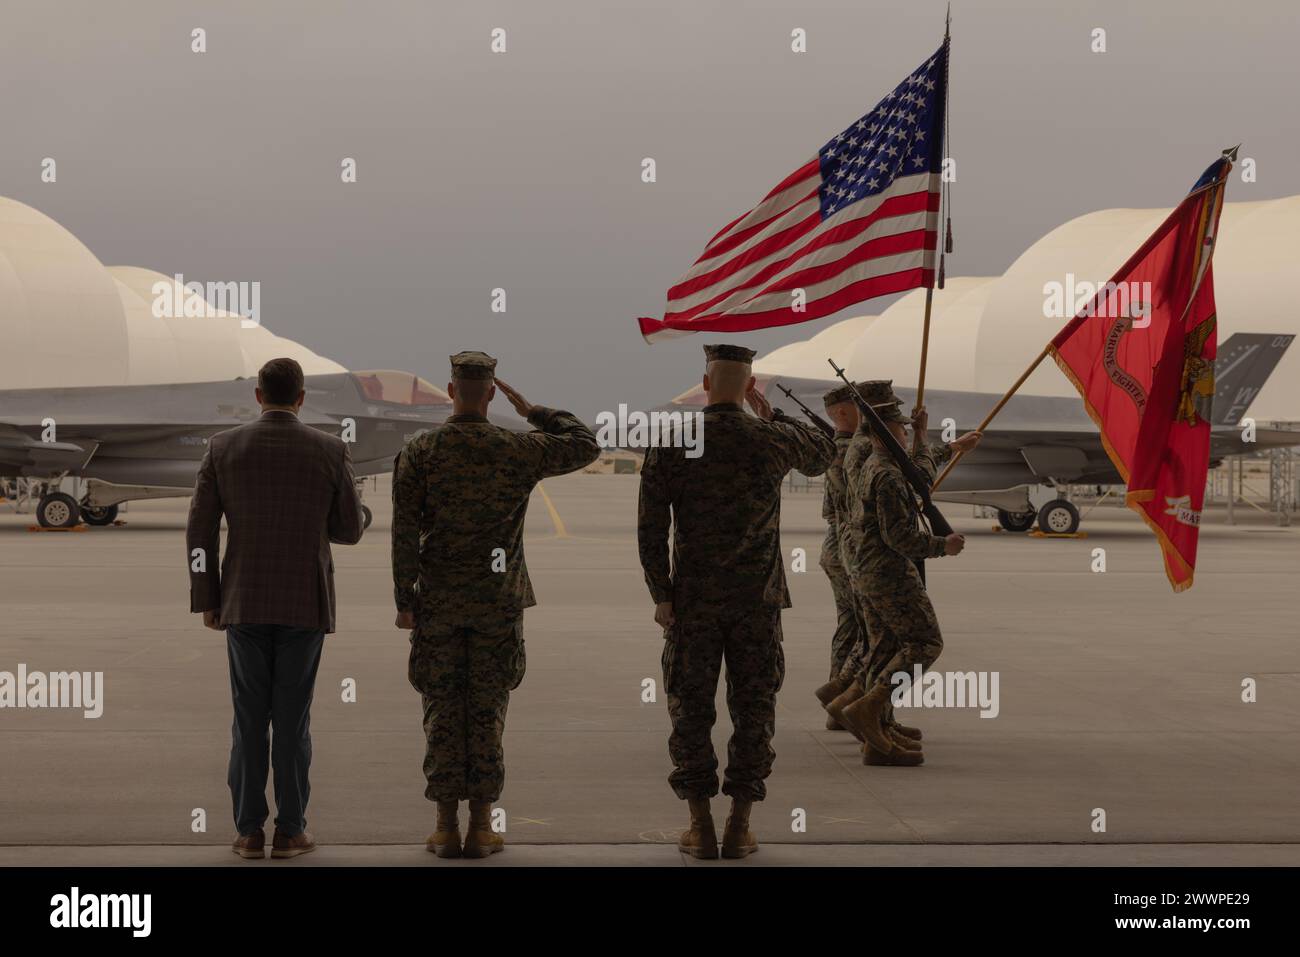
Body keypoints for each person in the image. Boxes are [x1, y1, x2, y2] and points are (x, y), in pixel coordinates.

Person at [392, 351, 599, 859]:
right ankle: (482, 827)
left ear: (449, 389)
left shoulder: (421, 449)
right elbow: (586, 444)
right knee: (487, 710)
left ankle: (444, 826)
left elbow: (402, 532)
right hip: (497, 601)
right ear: (489, 393)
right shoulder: (516, 448)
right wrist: (534, 412)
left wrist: (405, 598)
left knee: (441, 708)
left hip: (438, 600)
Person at [638, 344, 836, 859]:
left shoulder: (674, 444)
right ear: (750, 388)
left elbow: (650, 529)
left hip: (691, 603)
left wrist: (661, 593)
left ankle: (700, 826)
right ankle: (740, 825)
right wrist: (778, 416)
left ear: (705, 384)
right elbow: (825, 452)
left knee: (690, 709)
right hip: (757, 601)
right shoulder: (772, 439)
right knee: (754, 709)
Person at [186, 357, 365, 860]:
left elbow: (199, 531)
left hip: (241, 602)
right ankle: (291, 830)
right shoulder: (330, 450)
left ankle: (247, 832)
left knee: (248, 719)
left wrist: (208, 597)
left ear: (259, 395)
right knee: (292, 720)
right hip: (304, 605)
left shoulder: (223, 448)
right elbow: (348, 530)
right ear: (302, 397)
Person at [836, 383, 981, 765]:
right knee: (924, 643)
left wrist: (927, 438)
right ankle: (869, 709)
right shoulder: (886, 474)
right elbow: (899, 536)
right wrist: (941, 546)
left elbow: (917, 471)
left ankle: (877, 734)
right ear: (886, 431)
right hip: (887, 571)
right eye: (900, 425)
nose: (904, 429)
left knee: (884, 648)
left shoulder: (876, 463)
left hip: (866, 568)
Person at [812, 384, 868, 729]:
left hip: (837, 547)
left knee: (850, 626)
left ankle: (839, 705)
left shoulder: (836, 448)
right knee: (866, 628)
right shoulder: (849, 451)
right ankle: (849, 704)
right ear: (843, 413)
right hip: (852, 550)